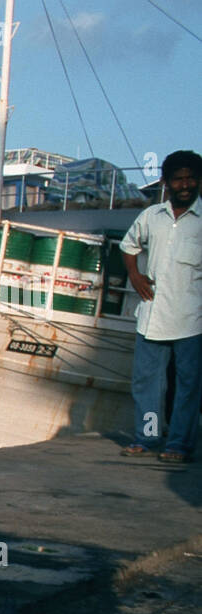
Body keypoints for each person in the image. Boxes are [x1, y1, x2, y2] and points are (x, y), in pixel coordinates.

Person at [119, 149, 202, 463]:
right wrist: (135, 275)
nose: (185, 184)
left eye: (191, 178)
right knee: (149, 384)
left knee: (189, 387)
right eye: (178, 178)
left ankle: (178, 445)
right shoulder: (151, 217)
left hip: (193, 319)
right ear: (166, 183)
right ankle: (148, 438)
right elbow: (128, 246)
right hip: (152, 316)